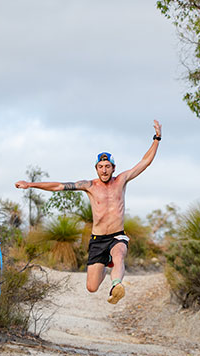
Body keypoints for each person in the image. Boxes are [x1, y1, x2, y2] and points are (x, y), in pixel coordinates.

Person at [15, 120, 162, 304]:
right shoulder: (90, 186)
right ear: (96, 169)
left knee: (119, 254)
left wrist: (157, 138)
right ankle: (105, 265)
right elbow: (58, 186)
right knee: (91, 287)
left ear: (113, 168)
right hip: (98, 239)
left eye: (108, 166)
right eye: (101, 167)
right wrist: (30, 184)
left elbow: (145, 162)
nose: (104, 170)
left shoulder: (122, 180)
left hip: (117, 235)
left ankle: (116, 285)